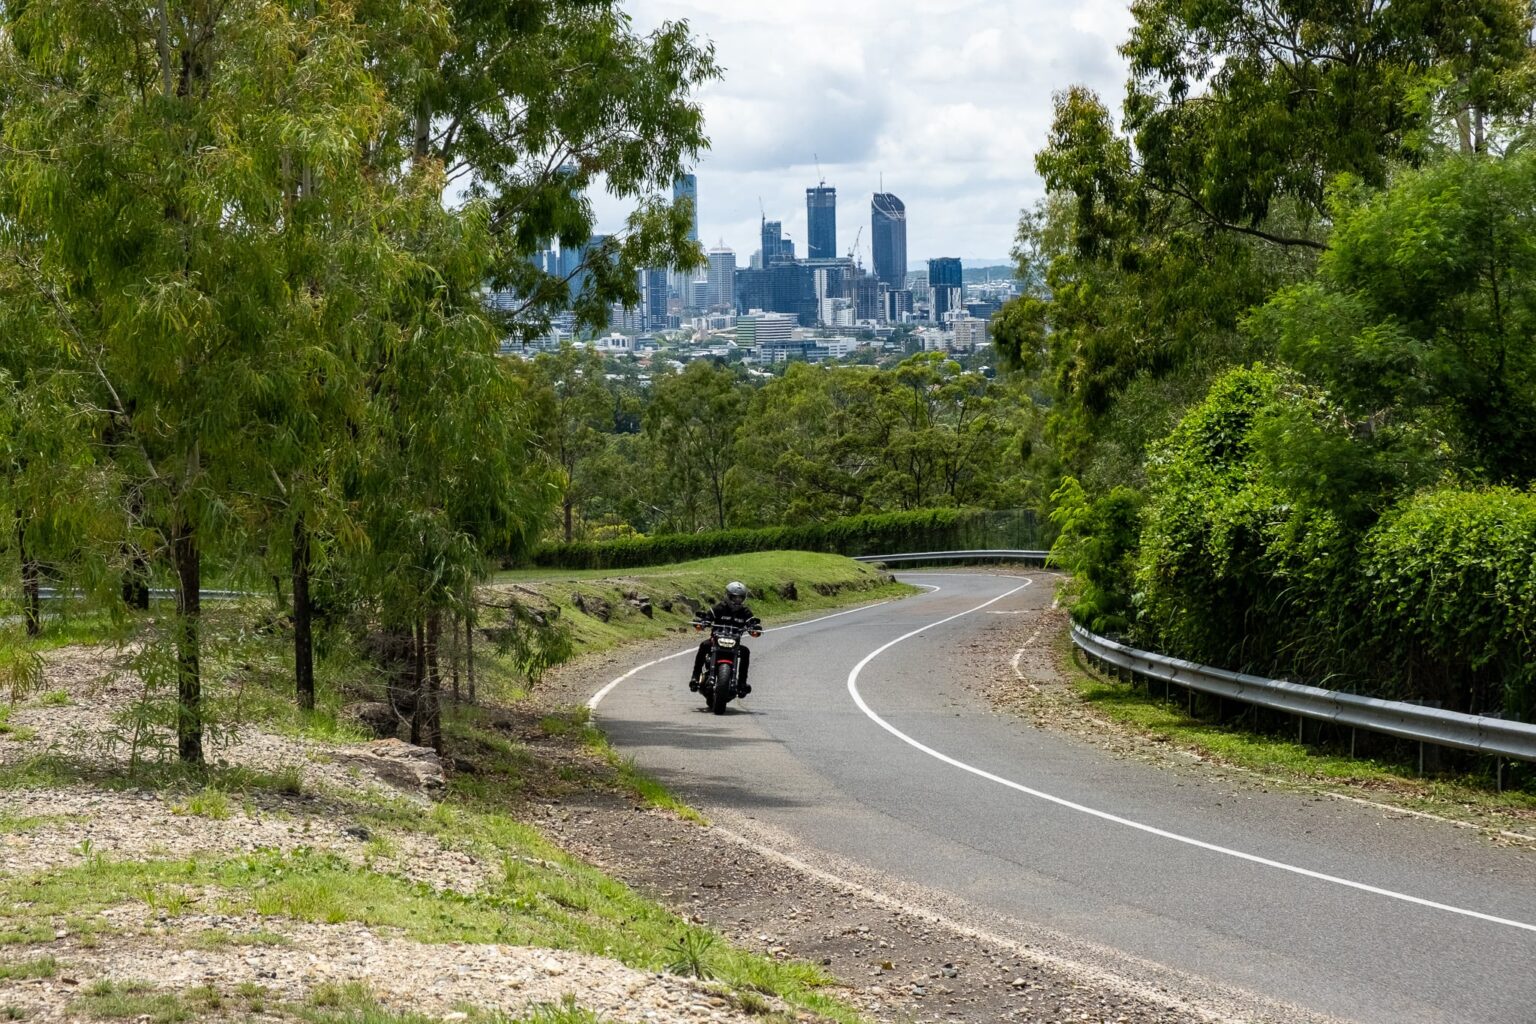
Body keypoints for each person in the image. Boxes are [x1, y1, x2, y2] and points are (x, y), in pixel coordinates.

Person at [689, 580, 759, 696]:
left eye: (740, 598)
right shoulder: (719, 608)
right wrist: (703, 622)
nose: (737, 601)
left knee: (745, 651)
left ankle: (742, 683)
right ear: (728, 596)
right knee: (704, 645)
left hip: (734, 643)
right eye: (734, 598)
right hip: (716, 641)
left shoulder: (745, 612)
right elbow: (708, 617)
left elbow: (751, 622)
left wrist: (754, 628)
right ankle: (695, 677)